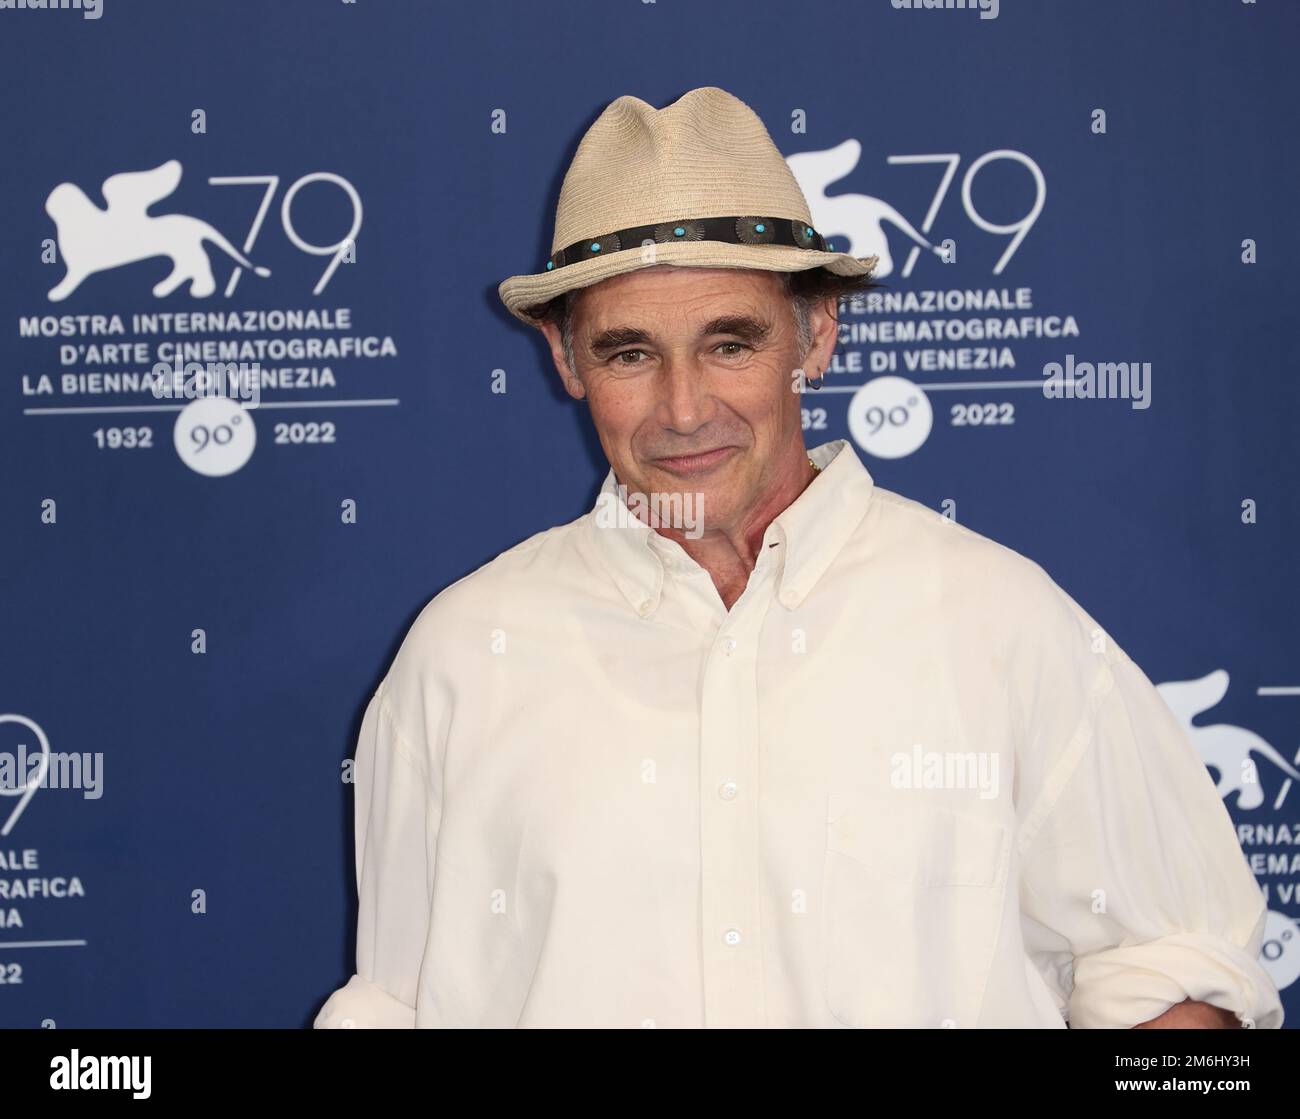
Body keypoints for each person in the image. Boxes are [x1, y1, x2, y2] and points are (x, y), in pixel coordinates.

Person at [313, 86, 1282, 1028]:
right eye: (629, 354)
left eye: (727, 344)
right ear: (565, 361)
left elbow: (1174, 970)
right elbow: (397, 1004)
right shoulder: (460, 659)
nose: (684, 409)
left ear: (816, 333)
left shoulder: (999, 623)